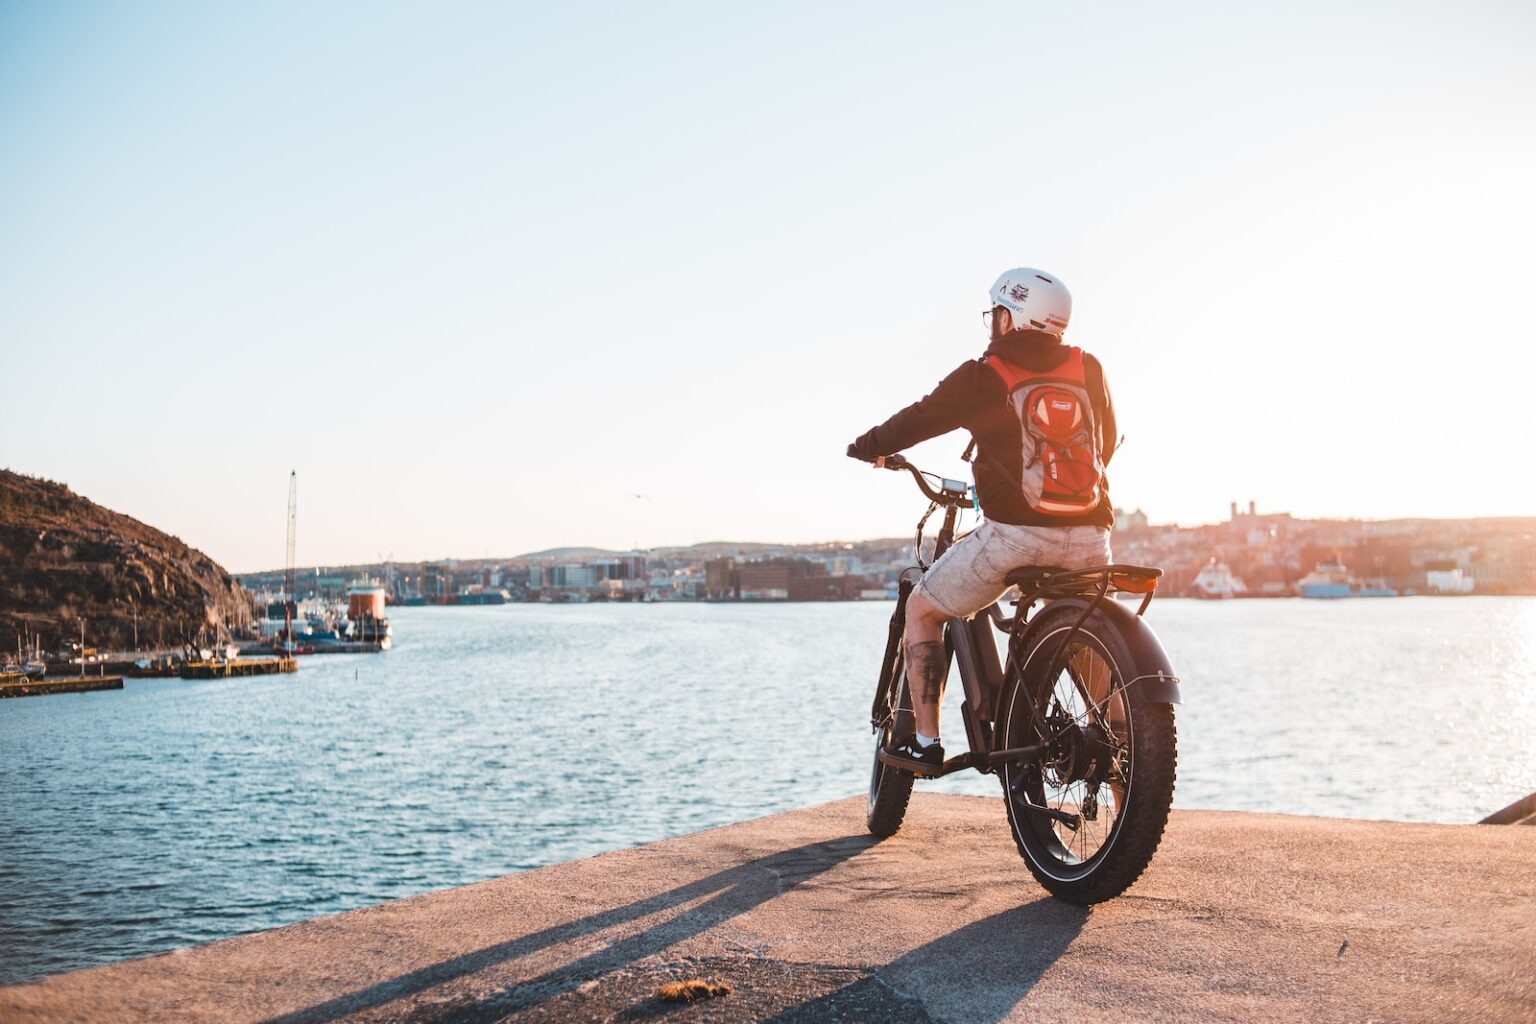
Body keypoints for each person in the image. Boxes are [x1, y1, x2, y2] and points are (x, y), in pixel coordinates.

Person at [847, 267, 1118, 774]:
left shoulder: (983, 374)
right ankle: (1132, 775)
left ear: (1008, 317)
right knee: (1100, 663)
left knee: (924, 610)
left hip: (1015, 538)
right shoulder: (1089, 368)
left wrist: (869, 447)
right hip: (1091, 537)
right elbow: (1106, 443)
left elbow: (920, 417)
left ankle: (926, 742)